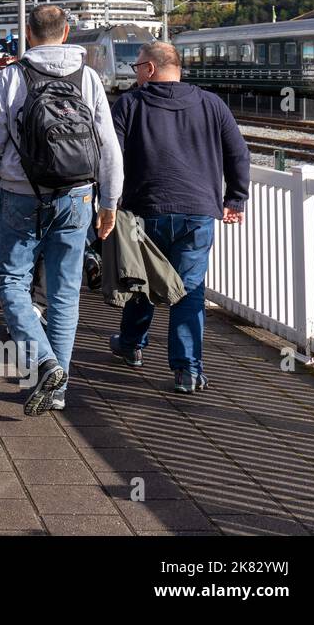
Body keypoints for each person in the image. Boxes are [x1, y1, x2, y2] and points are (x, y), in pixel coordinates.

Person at [0, 4, 123, 416]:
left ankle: (44, 362)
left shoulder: (11, 77)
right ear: (67, 31)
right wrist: (109, 202)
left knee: (10, 280)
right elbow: (108, 146)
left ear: (28, 32)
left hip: (22, 194)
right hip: (78, 196)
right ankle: (57, 390)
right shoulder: (88, 77)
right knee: (64, 293)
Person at [108, 41, 250, 393]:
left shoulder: (130, 105)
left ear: (151, 69)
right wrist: (235, 198)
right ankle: (188, 370)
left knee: (141, 281)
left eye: (137, 66)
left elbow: (110, 158)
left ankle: (131, 347)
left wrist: (108, 203)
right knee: (188, 291)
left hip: (144, 211)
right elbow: (239, 153)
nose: (135, 73)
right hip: (197, 211)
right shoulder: (211, 103)